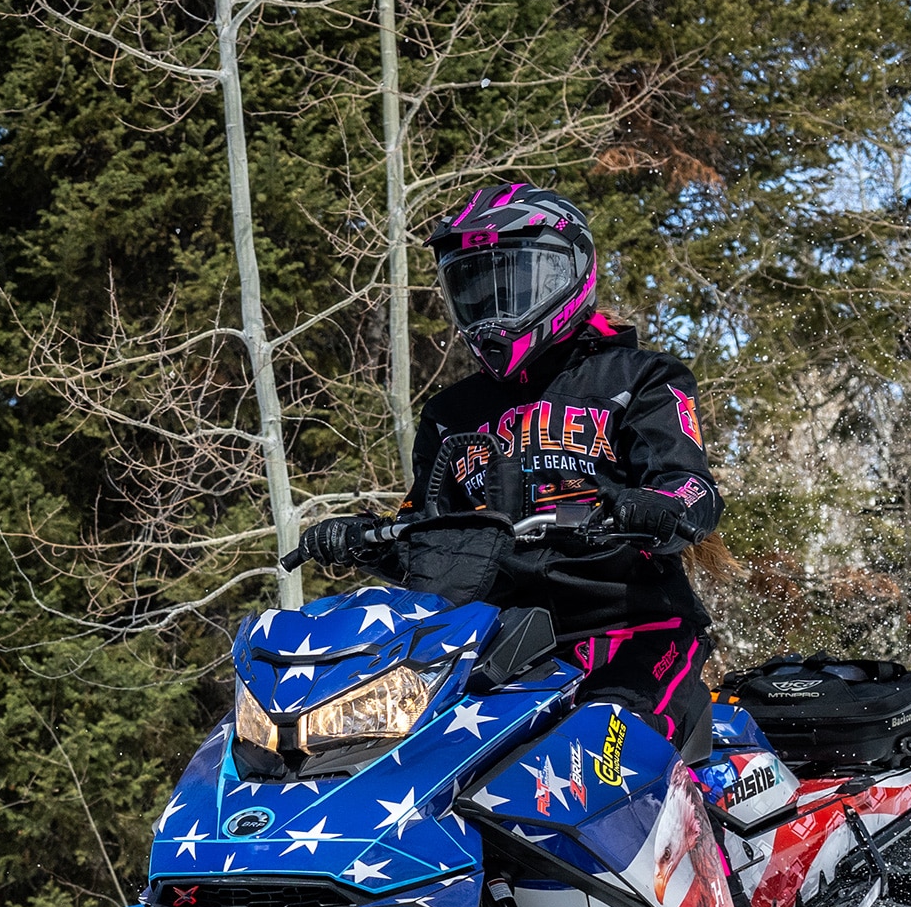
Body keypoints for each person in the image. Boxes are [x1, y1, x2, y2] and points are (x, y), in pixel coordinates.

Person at [297, 182, 721, 749]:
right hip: (492, 649)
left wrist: (660, 506)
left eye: (513, 282)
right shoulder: (452, 414)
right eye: (475, 287)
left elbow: (692, 485)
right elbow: (424, 532)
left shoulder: (636, 378)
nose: (495, 307)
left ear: (569, 274)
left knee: (598, 760)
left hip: (631, 631)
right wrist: (365, 539)